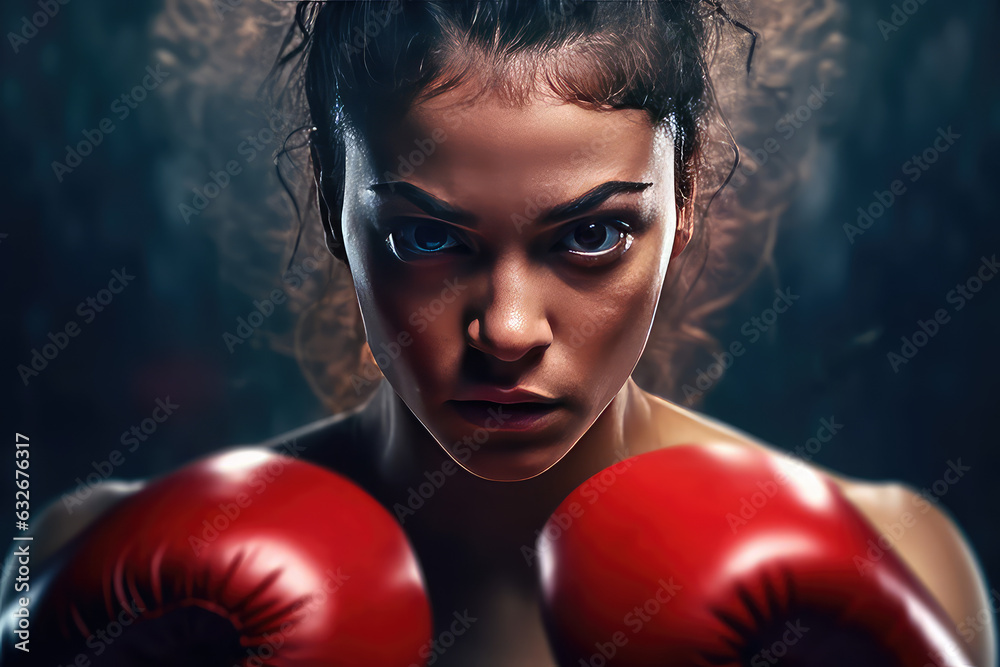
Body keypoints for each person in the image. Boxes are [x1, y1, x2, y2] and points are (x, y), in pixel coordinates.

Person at [12, 2, 995, 665]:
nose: (507, 329)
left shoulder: (901, 554)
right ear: (331, 200)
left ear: (685, 196)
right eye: (427, 236)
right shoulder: (98, 555)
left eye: (593, 234)